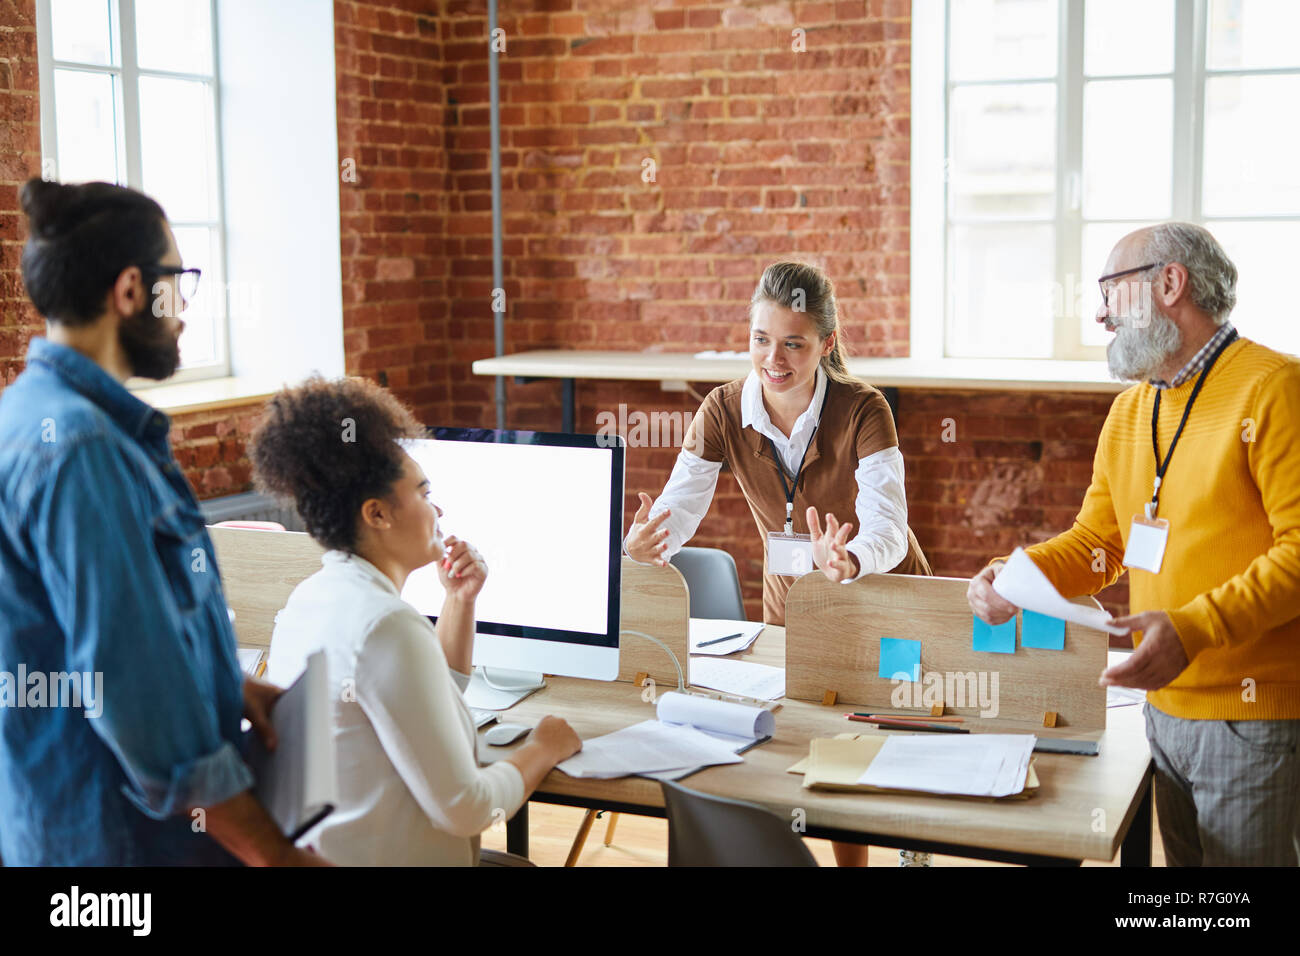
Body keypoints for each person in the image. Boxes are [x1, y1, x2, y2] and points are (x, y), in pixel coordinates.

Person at [0, 179, 323, 865]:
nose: (185, 308)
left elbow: (79, 635)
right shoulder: (83, 451)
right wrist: (279, 858)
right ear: (128, 292)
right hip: (120, 850)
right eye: (178, 281)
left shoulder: (27, 418)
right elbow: (130, 694)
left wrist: (220, 684)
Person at [968, 222, 1300, 866]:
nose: (1098, 312)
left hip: (1253, 718)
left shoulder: (1275, 389)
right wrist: (1011, 576)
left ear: (1169, 284)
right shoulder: (1130, 410)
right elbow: (1099, 542)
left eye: (1110, 290)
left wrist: (1192, 628)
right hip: (1162, 709)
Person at [626, 260, 932, 867]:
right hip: (792, 591)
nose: (775, 359)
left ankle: (907, 845)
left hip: (881, 590)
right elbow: (678, 505)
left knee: (877, 730)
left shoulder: (865, 409)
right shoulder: (722, 408)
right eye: (761, 340)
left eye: (794, 342)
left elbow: (890, 529)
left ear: (827, 344)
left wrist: (851, 557)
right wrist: (648, 541)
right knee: (810, 730)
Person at [252, 376, 583, 866]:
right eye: (424, 493)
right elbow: (465, 809)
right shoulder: (385, 623)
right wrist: (543, 747)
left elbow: (428, 698)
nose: (439, 509)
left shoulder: (313, 597)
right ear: (378, 514)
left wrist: (460, 602)